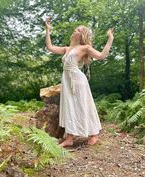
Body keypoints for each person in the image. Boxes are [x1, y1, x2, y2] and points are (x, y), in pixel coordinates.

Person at [45, 17, 114, 147]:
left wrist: (110, 39)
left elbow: (101, 56)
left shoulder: (85, 48)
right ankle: (69, 138)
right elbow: (50, 47)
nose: (74, 31)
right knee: (69, 106)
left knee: (83, 105)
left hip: (77, 79)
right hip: (66, 80)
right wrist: (47, 30)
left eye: (77, 29)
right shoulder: (67, 49)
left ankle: (94, 134)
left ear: (81, 34)